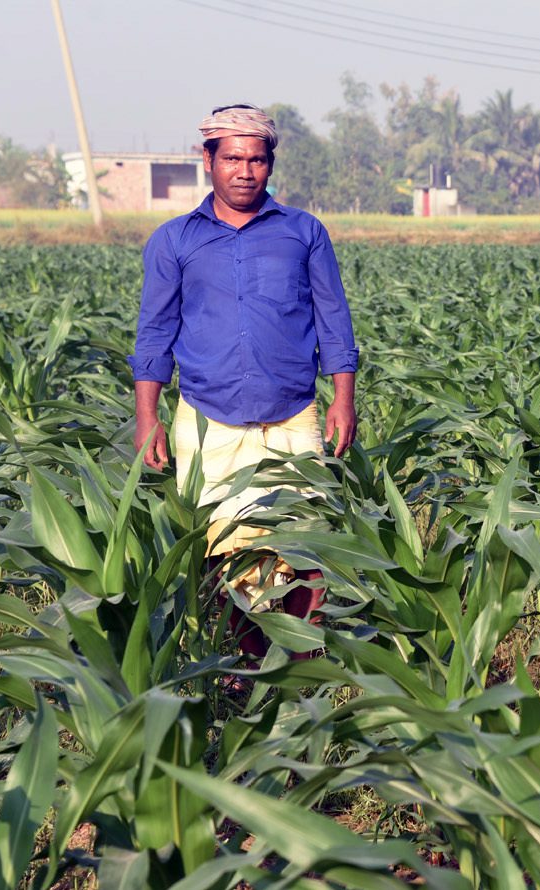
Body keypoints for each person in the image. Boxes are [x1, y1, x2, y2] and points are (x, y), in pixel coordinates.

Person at [129, 103, 360, 660]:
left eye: (257, 159)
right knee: (220, 546)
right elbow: (155, 331)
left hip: (293, 413)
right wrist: (146, 418)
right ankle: (243, 663)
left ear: (270, 164)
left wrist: (344, 400)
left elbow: (334, 319)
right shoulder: (175, 240)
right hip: (208, 417)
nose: (245, 171)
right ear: (207, 159)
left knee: (307, 543)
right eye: (232, 158)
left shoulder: (303, 232)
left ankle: (303, 664)